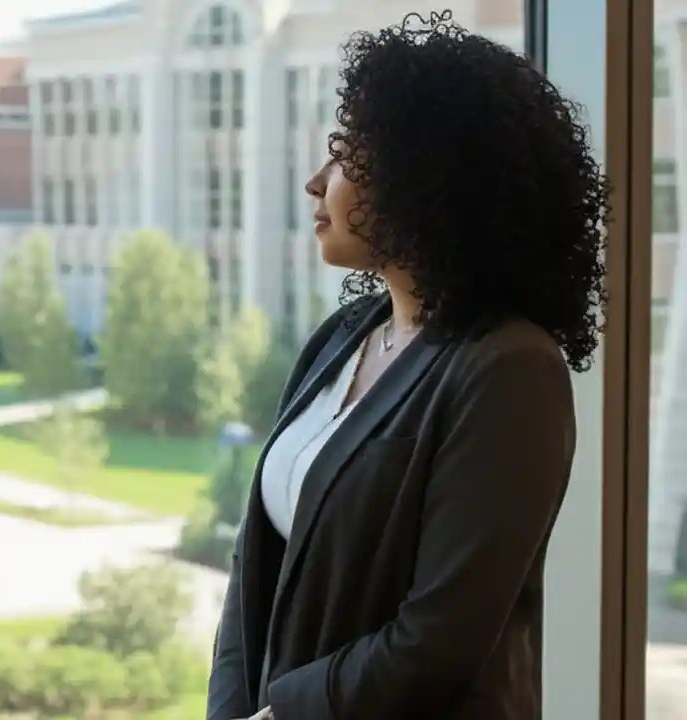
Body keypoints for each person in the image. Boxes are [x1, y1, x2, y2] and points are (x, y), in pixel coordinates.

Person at [206, 11, 609, 720]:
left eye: (346, 155)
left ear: (426, 176)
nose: (316, 182)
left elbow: (437, 642)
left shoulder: (509, 369)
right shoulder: (341, 337)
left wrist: (279, 714)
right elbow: (255, 564)